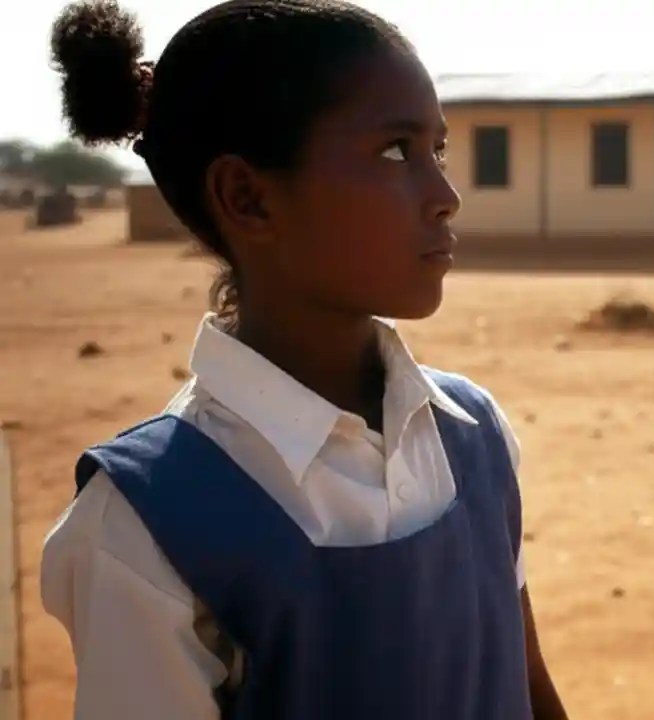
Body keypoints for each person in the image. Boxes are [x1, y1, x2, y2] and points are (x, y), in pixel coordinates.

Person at [39, 2, 568, 718]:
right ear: (248, 198)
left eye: (436, 151)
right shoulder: (142, 526)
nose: (446, 197)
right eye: (395, 152)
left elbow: (526, 687)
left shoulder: (470, 435)